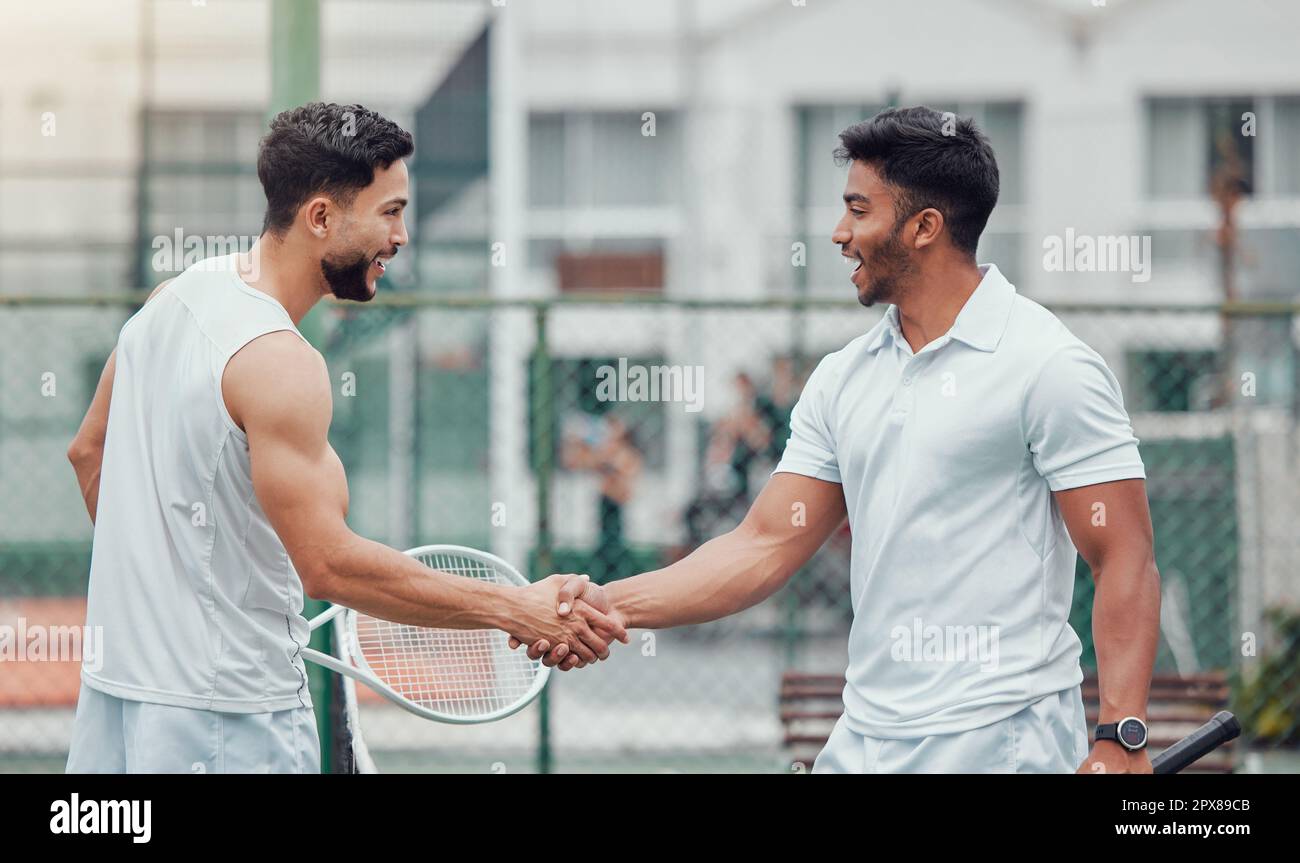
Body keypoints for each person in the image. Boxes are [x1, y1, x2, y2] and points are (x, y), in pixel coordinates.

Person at [517, 107, 1160, 775]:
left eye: (858, 210)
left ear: (924, 228)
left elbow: (1125, 556)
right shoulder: (843, 376)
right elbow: (762, 545)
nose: (838, 233)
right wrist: (603, 605)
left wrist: (1121, 736)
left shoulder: (1050, 365)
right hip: (866, 737)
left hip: (1001, 738)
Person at [64, 103, 624, 774]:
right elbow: (329, 565)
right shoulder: (280, 359)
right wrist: (518, 608)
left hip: (114, 703)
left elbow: (88, 453)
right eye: (390, 212)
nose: (403, 235)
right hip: (230, 722)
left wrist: (170, 592)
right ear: (321, 217)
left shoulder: (169, 300)